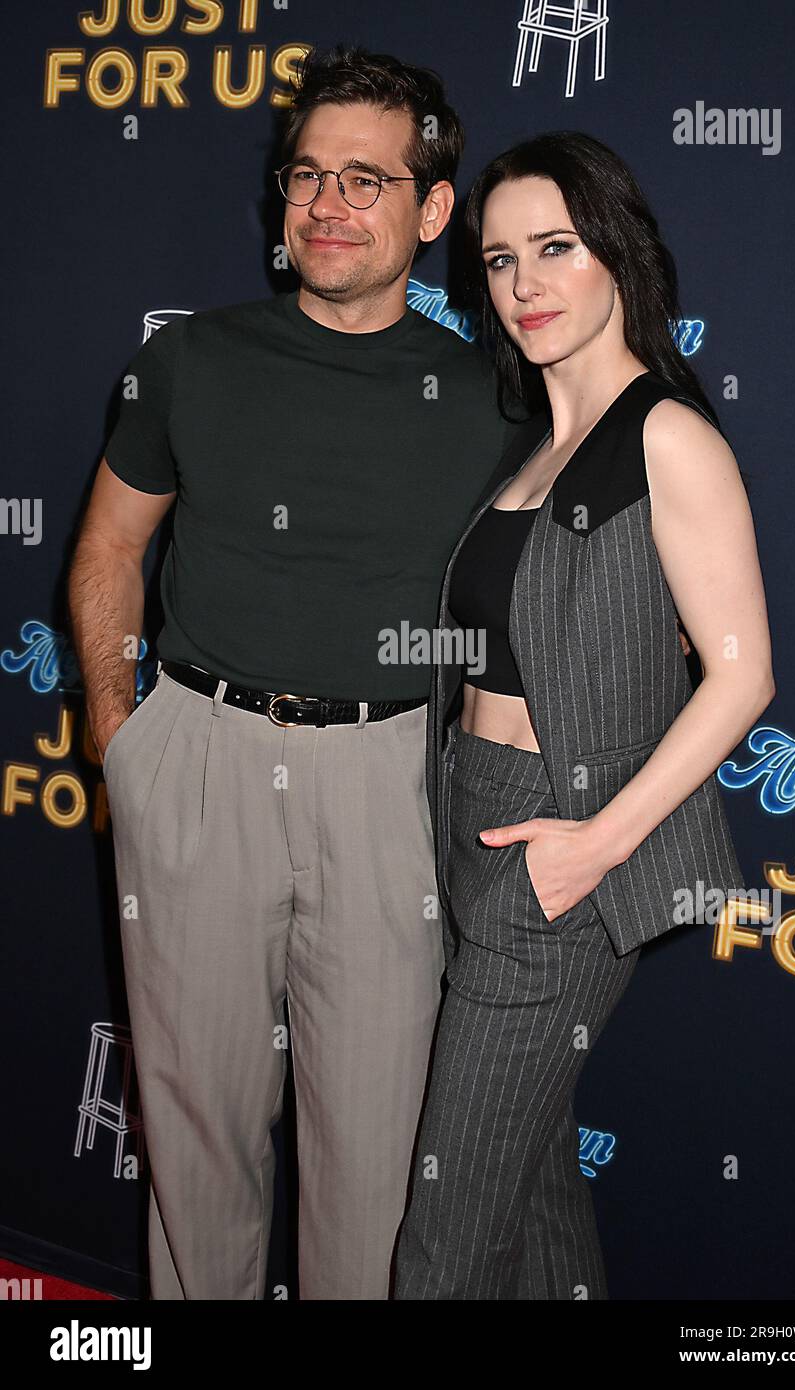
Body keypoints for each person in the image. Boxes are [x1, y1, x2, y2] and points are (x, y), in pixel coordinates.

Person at [67, 45, 530, 1301]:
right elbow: (110, 546)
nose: (329, 204)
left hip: (390, 788)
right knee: (194, 1142)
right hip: (198, 763)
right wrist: (124, 731)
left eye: (367, 181)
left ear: (434, 212)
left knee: (376, 1171)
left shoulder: (498, 395)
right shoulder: (192, 360)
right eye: (309, 175)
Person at [394, 130, 775, 1300]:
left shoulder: (666, 435)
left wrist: (593, 848)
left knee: (446, 1241)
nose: (524, 286)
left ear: (618, 254)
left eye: (555, 248)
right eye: (501, 260)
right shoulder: (531, 450)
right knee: (536, 1186)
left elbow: (743, 673)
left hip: (557, 850)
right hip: (471, 821)